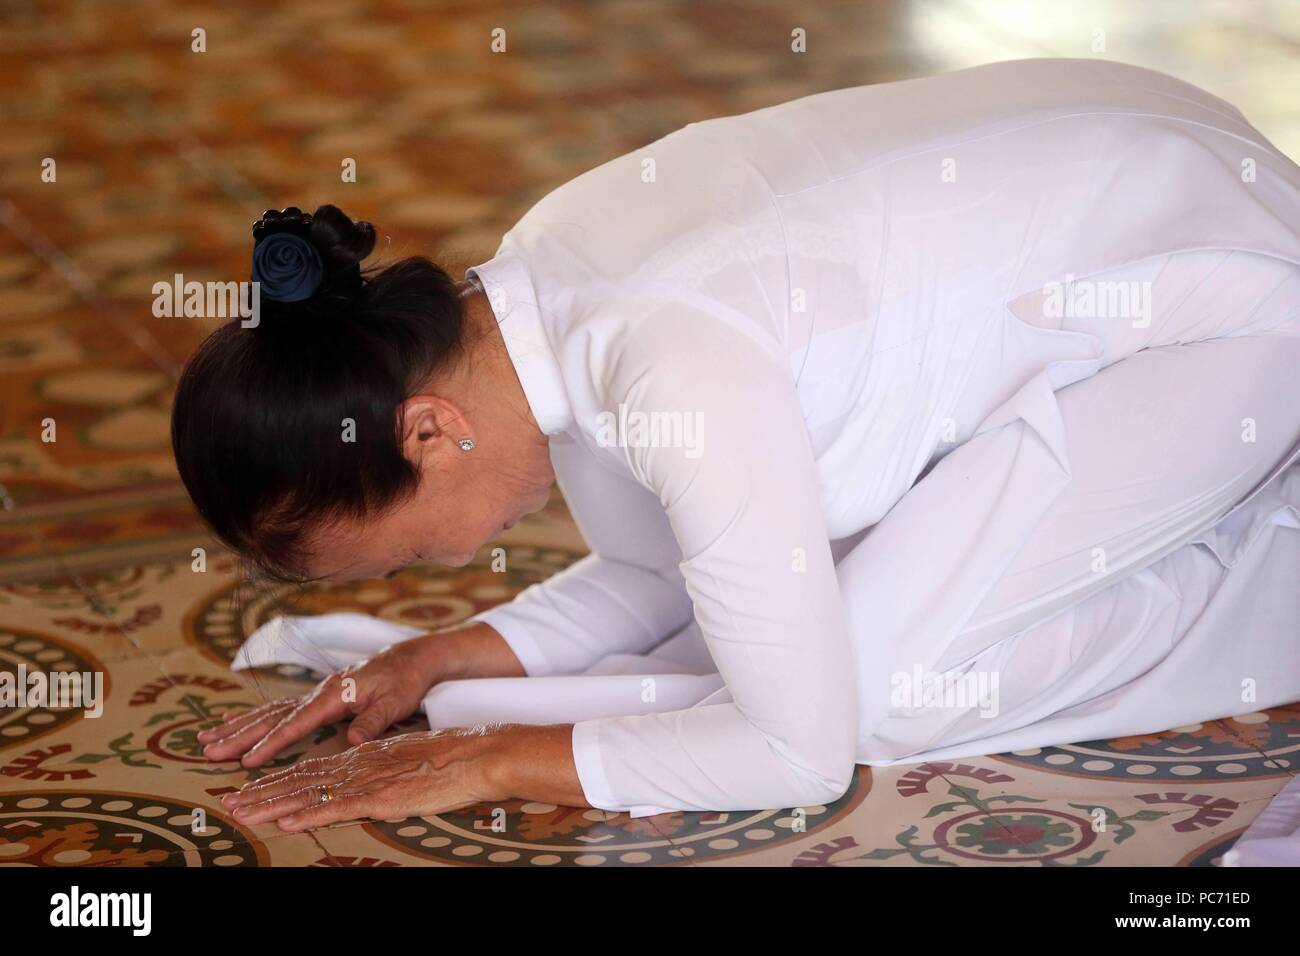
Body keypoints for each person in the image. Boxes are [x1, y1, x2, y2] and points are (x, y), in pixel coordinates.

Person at [172, 58, 1300, 832]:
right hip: (1150, 164)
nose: (438, 570)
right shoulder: (532, 297)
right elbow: (667, 562)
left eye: (403, 557)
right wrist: (443, 657)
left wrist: (489, 758)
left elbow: (801, 753)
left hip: (1229, 300)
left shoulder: (666, 357)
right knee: (810, 606)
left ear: (428, 429)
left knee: (879, 687)